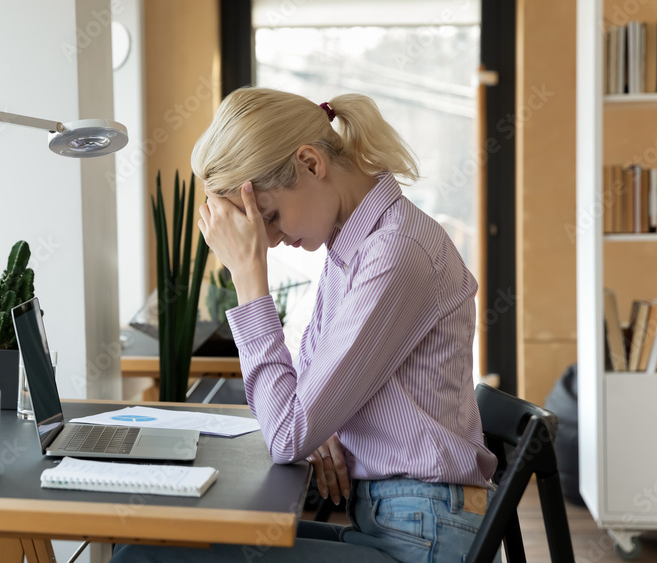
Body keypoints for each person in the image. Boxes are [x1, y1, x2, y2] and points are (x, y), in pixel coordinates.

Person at [111, 88, 498, 563]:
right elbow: (300, 413)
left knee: (146, 560)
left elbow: (288, 431)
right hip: (399, 522)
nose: (269, 242)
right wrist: (323, 425)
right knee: (150, 548)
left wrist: (248, 277)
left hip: (423, 537)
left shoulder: (395, 253)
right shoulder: (353, 250)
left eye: (269, 217)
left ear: (311, 163)